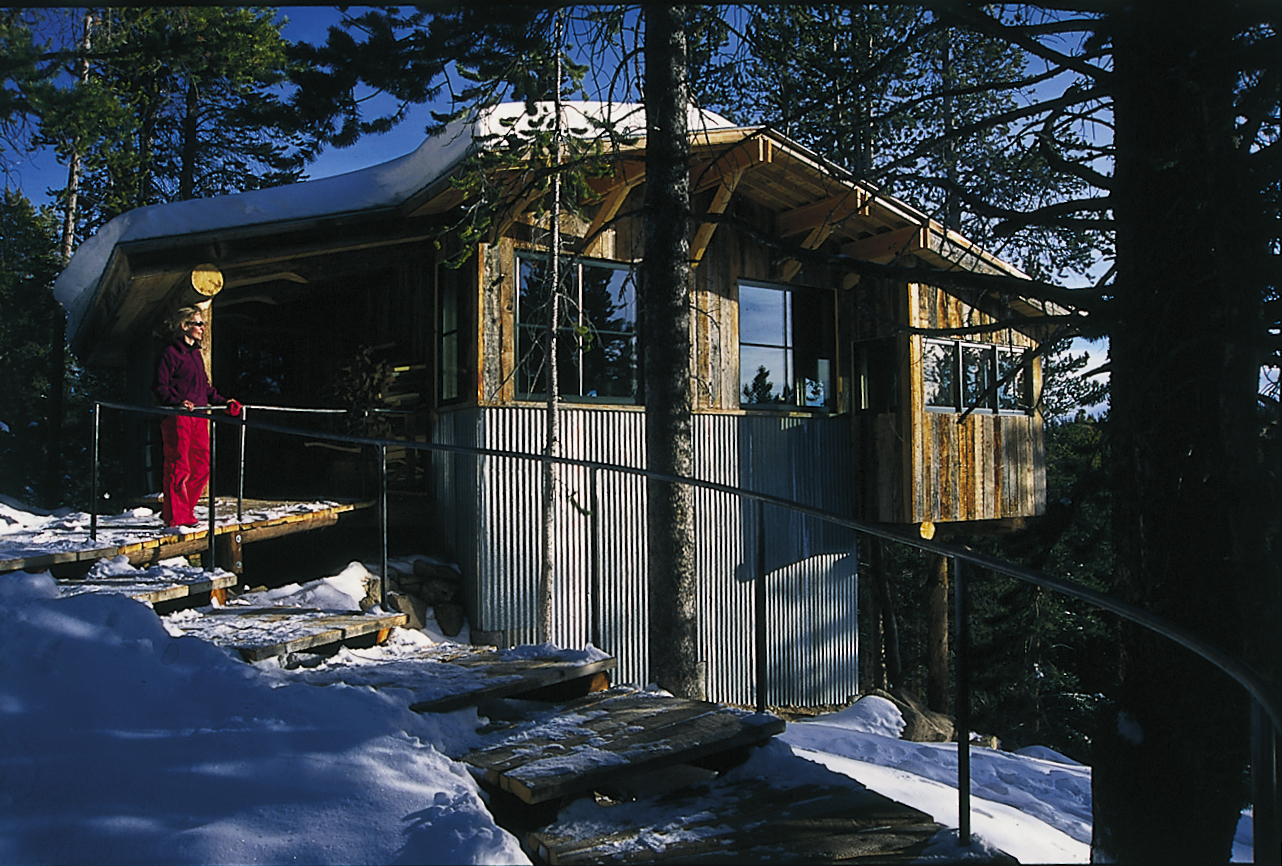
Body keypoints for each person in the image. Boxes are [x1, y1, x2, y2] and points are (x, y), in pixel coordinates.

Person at [152, 306, 241, 528]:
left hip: (200, 417)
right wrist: (177, 402)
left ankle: (185, 511)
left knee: (201, 468)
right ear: (184, 326)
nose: (202, 328)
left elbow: (205, 389)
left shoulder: (196, 354)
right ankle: (176, 517)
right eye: (198, 324)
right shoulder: (170, 353)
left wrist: (224, 402)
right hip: (179, 417)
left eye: (203, 324)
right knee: (178, 467)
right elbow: (159, 386)